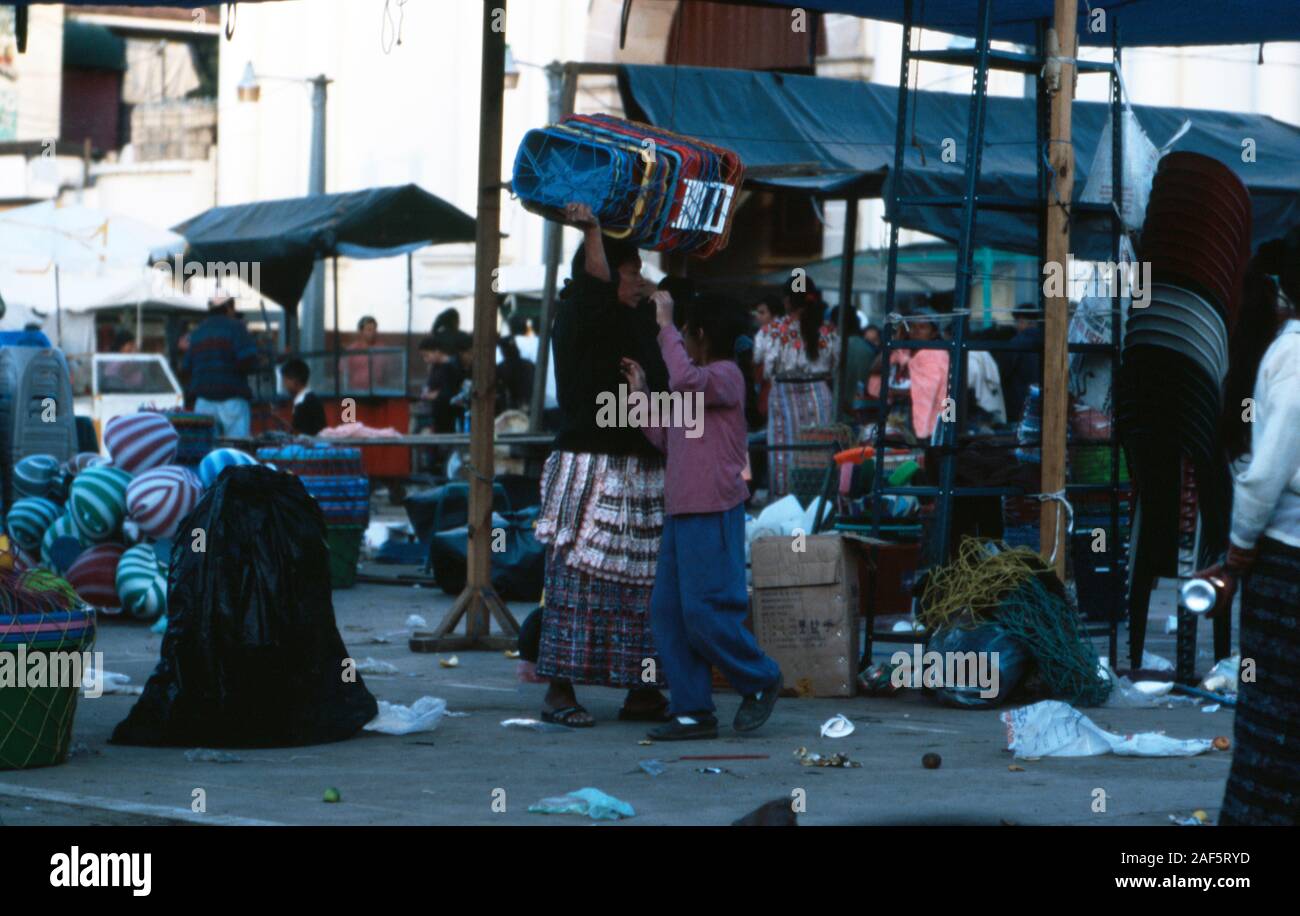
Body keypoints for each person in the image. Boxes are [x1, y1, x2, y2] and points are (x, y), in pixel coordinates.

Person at [621, 290, 783, 740]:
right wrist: (639, 396)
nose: (682, 343)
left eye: (685, 335)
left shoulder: (726, 377)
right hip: (682, 513)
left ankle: (760, 677)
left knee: (704, 611)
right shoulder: (696, 386)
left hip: (712, 509)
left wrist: (664, 325)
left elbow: (686, 380)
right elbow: (664, 437)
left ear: (699, 335)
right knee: (669, 613)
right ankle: (692, 711)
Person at [532, 201, 670, 727]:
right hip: (589, 467)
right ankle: (559, 692)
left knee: (642, 588)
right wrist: (592, 229)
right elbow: (594, 286)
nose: (641, 280)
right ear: (609, 273)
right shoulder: (579, 314)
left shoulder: (641, 320)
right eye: (632, 271)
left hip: (640, 469)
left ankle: (643, 691)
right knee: (576, 584)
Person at [1198, 229, 1300, 826]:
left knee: (1274, 730)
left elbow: (1265, 476)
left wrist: (1236, 555)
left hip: (1285, 565)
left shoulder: (1290, 352)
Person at [753, 276, 838, 497]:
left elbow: (756, 358)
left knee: (783, 452)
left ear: (787, 301)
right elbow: (836, 365)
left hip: (783, 394)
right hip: (818, 394)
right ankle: (817, 504)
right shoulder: (828, 331)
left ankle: (785, 502)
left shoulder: (771, 331)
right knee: (816, 451)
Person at [182, 293, 258, 438]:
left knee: (207, 448)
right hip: (232, 399)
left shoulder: (197, 332)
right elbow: (248, 360)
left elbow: (187, 367)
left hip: (203, 401)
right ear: (229, 308)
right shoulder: (236, 328)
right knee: (237, 448)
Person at [998, 303, 1043, 424]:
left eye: (1017, 321)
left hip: (1019, 402)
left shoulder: (1017, 342)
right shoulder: (1048, 340)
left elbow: (1004, 372)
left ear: (1023, 320)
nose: (1016, 325)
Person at [417, 333, 466, 433]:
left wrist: (433, 395)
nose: (425, 360)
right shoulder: (435, 366)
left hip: (451, 415)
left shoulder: (452, 366)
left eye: (427, 355)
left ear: (437, 351)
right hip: (438, 414)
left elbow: (450, 392)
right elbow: (431, 385)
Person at [344, 315, 396, 394]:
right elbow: (344, 374)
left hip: (379, 393)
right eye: (369, 330)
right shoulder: (351, 350)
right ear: (361, 332)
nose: (373, 332)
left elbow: (389, 373)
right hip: (356, 394)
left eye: (374, 329)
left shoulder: (383, 349)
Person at [281, 357, 327, 436]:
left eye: (285, 380)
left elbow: (302, 432)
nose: (284, 384)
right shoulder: (309, 398)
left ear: (295, 381)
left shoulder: (304, 402)